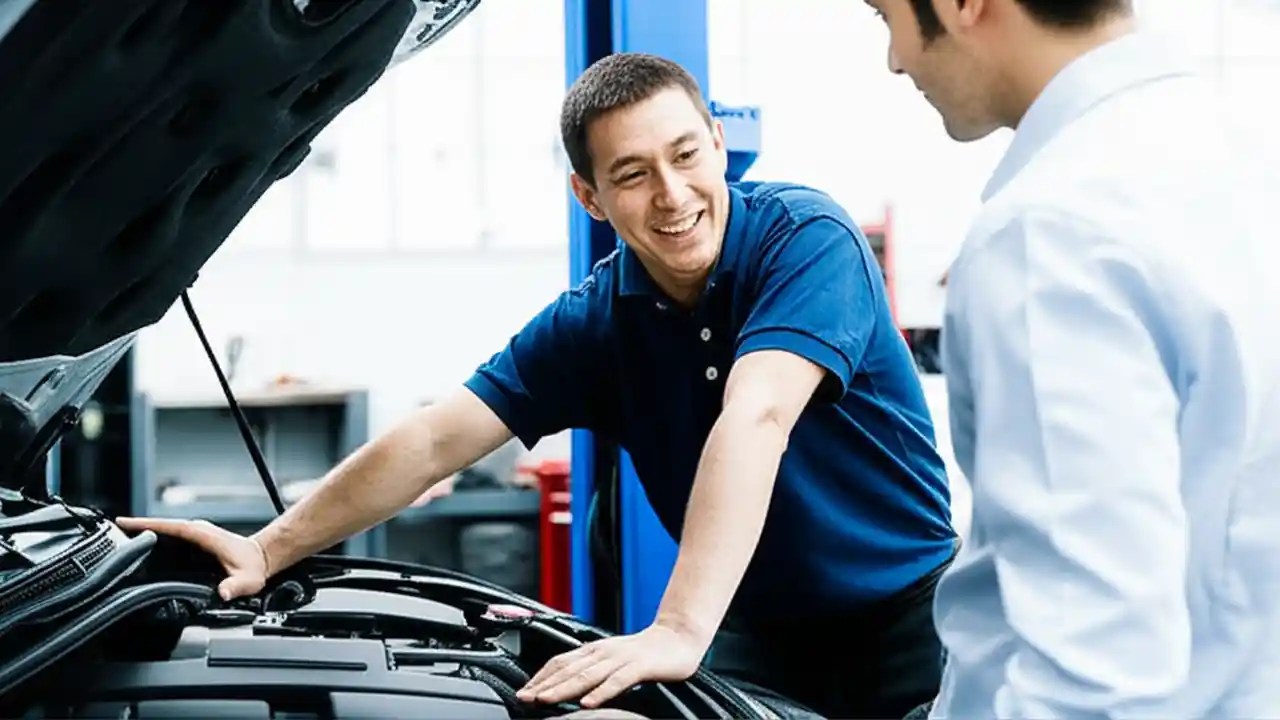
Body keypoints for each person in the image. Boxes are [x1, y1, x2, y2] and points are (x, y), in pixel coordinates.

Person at [118, 52, 959, 718]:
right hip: (756, 633)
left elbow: (758, 417)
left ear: (715, 140)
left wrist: (675, 628)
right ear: (589, 197)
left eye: (685, 155)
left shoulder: (805, 241)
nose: (673, 195)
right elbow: (436, 439)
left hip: (912, 624)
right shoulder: (597, 322)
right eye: (632, 174)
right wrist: (269, 549)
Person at [863, 0, 1280, 717]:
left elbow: (1094, 681)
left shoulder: (1048, 235)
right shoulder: (1244, 159)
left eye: (885, 16)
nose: (896, 59)